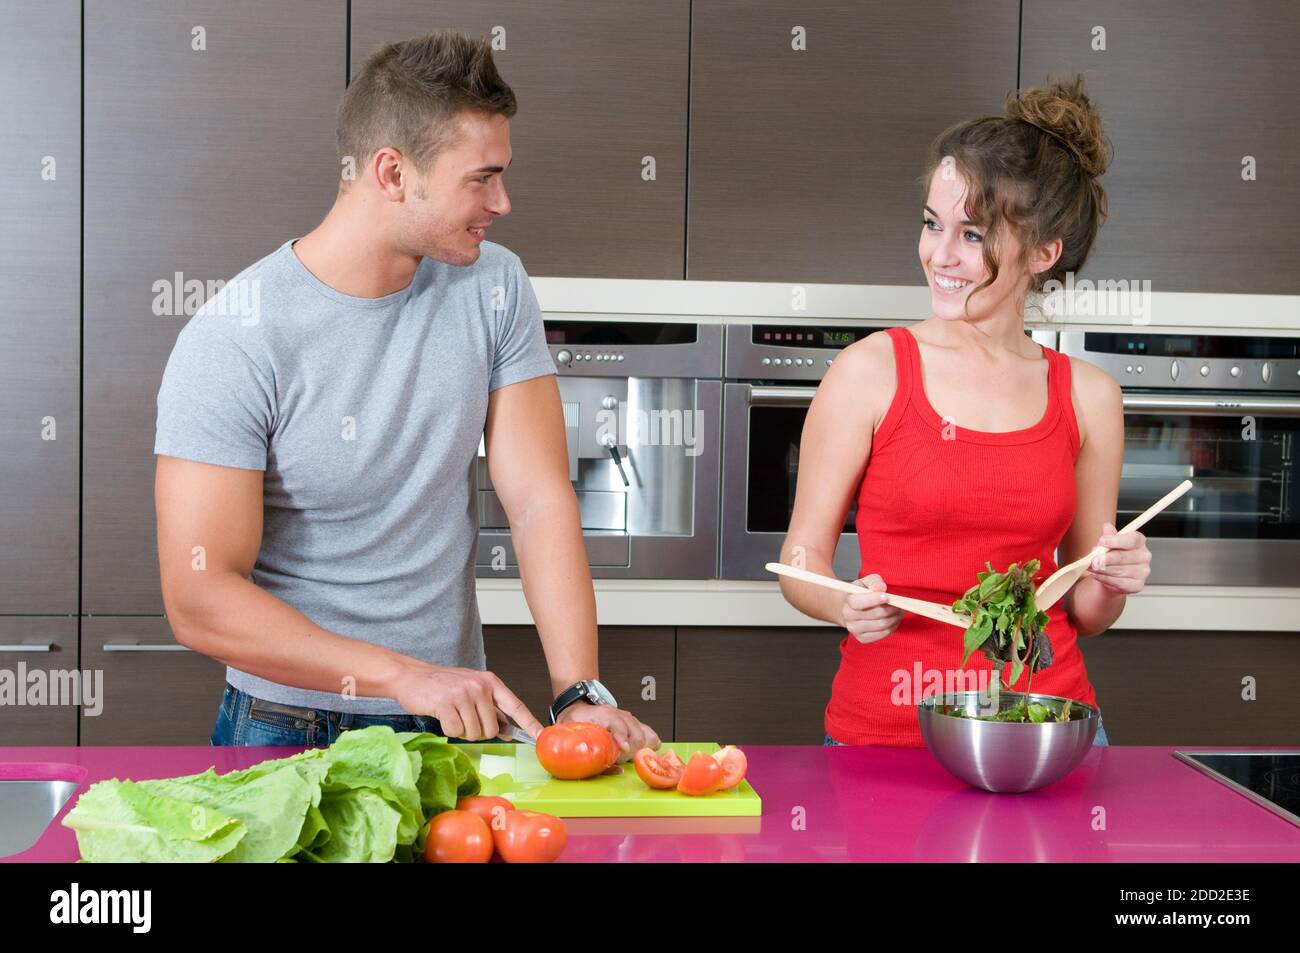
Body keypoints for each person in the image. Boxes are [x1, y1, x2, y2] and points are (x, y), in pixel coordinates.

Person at [154, 32, 658, 753]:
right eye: (481, 179)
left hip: (449, 719)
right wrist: (401, 676)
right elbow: (199, 599)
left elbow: (539, 496)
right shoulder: (236, 335)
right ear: (391, 173)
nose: (503, 202)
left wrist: (578, 690)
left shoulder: (493, 285)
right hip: (289, 727)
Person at [779, 75, 1151, 747]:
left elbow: (1084, 609)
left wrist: (1113, 579)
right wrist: (844, 602)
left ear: (1043, 253)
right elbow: (801, 560)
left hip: (1042, 729)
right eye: (931, 224)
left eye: (972, 235)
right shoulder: (869, 371)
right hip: (887, 734)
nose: (939, 256)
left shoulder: (1090, 396)